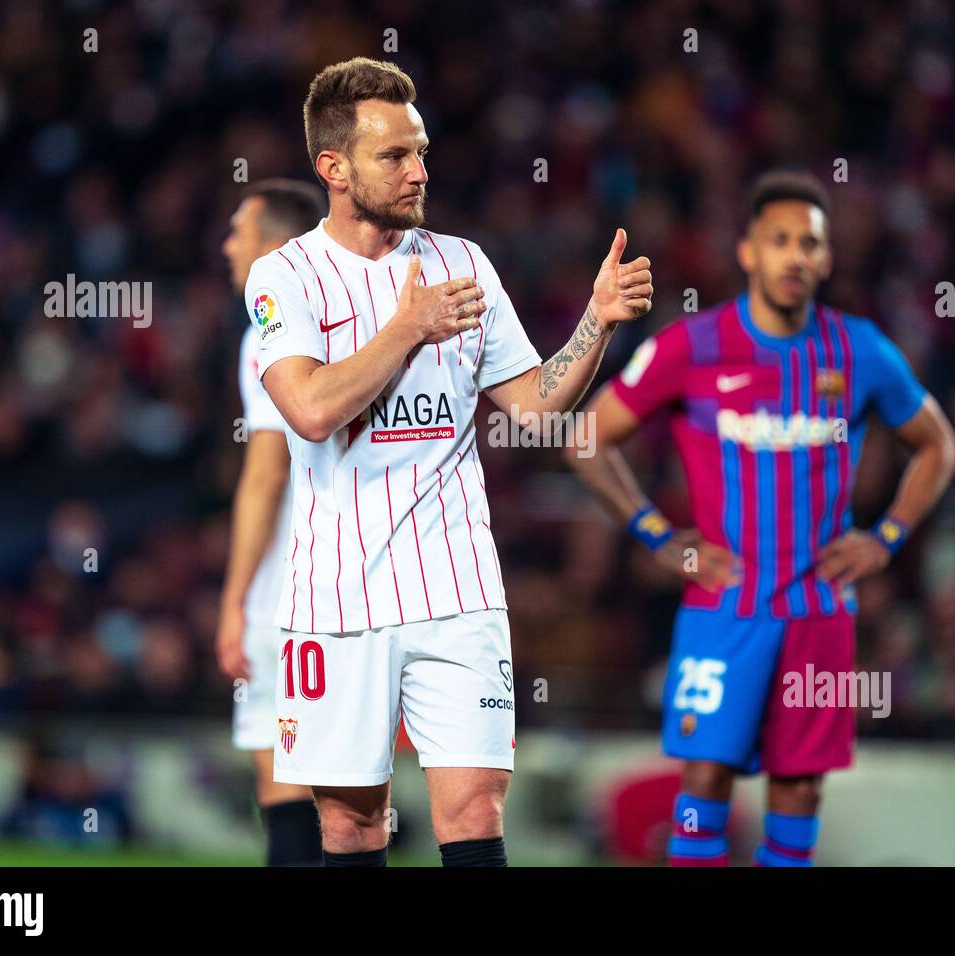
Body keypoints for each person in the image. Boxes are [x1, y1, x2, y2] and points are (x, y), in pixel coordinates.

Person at [245, 57, 652, 867]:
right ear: (334, 168)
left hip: (457, 588)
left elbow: (537, 408)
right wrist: (406, 328)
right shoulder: (282, 277)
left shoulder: (464, 264)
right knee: (351, 829)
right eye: (393, 155)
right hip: (337, 597)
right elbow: (313, 410)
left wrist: (598, 322)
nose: (417, 170)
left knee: (472, 810)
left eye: (420, 149)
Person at [564, 171, 955, 866]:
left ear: (826, 257)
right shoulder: (694, 345)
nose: (794, 256)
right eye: (779, 240)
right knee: (705, 779)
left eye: (809, 243)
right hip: (725, 603)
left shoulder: (859, 350)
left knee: (800, 787)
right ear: (748, 251)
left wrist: (888, 536)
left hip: (819, 608)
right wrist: (655, 535)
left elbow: (939, 445)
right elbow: (585, 436)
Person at [217, 179, 329, 866]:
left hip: (290, 592)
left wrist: (232, 602)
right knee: (348, 794)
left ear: (276, 246)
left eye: (239, 230)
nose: (228, 245)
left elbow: (266, 473)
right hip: (367, 582)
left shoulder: (271, 327)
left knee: (284, 778)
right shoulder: (359, 316)